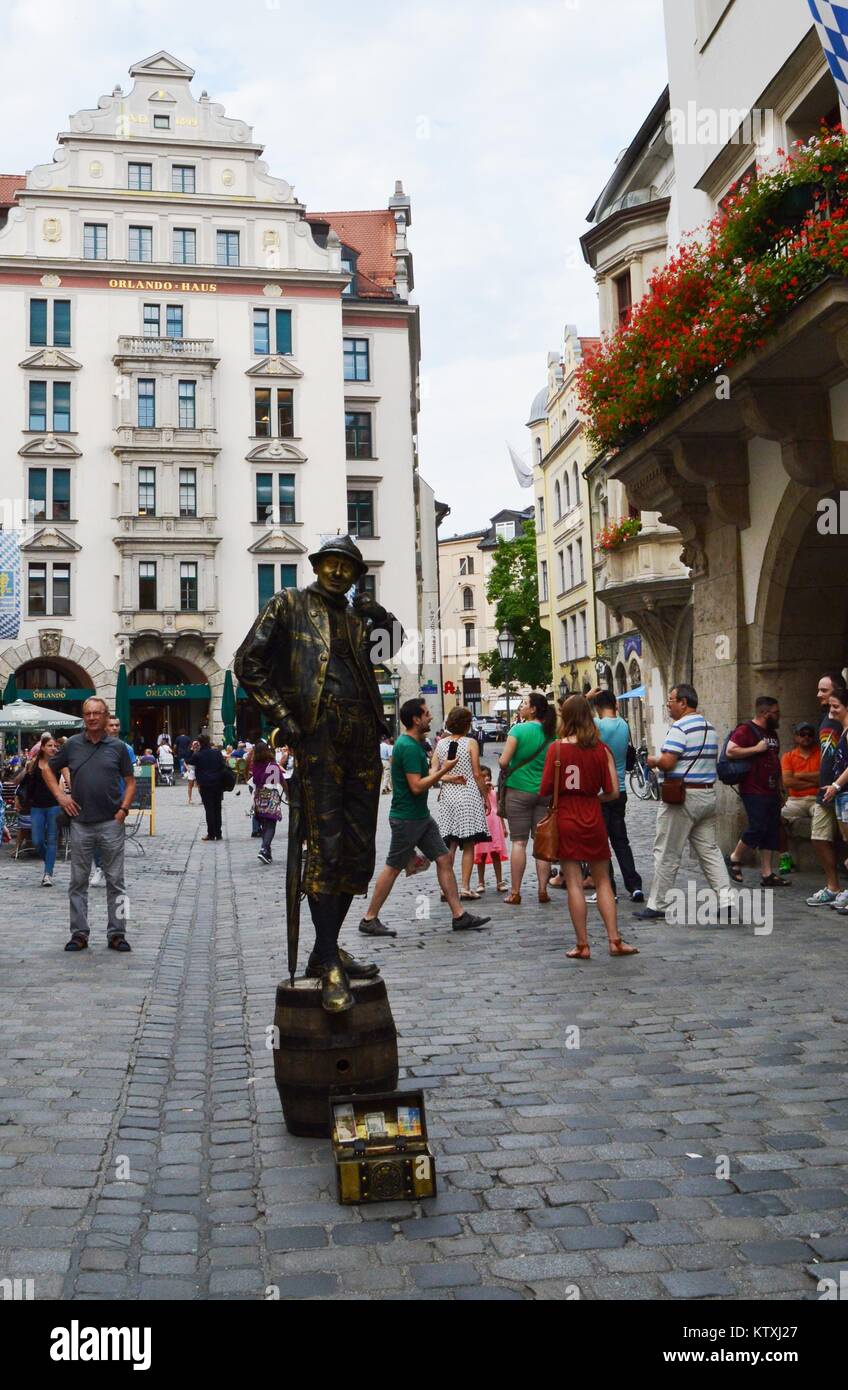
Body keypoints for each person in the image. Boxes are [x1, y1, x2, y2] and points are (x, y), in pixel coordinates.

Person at [235, 535, 402, 1012]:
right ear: (317, 566)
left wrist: (380, 615)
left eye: (347, 568)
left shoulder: (354, 620)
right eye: (331, 564)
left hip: (363, 739)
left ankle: (325, 948)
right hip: (320, 735)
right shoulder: (288, 605)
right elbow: (248, 663)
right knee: (325, 847)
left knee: (358, 850)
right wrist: (285, 718)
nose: (338, 573)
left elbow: (388, 651)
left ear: (355, 576)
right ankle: (327, 959)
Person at [359, 698, 491, 937]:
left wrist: (443, 775)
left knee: (443, 859)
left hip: (420, 817)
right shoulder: (408, 747)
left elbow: (425, 778)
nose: (431, 717)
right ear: (416, 719)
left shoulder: (415, 743)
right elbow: (417, 786)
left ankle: (459, 915)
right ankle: (369, 918)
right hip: (407, 819)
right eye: (427, 713)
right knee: (393, 867)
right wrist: (444, 770)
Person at [540, 695, 639, 960]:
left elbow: (546, 790)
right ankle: (614, 939)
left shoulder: (557, 749)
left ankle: (582, 944)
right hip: (593, 816)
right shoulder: (601, 749)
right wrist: (593, 798)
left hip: (566, 818)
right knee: (603, 880)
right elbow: (613, 791)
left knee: (573, 882)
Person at [41, 697, 136, 953]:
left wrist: (123, 810)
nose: (92, 717)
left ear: (105, 716)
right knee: (77, 882)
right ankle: (79, 933)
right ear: (84, 717)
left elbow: (130, 782)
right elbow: (46, 769)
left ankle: (118, 933)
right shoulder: (72, 745)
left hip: (111, 823)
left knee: (117, 881)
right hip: (81, 824)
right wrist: (61, 797)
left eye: (97, 713)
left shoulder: (118, 747)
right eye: (88, 713)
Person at [634, 684, 732, 923]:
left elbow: (668, 762)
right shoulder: (710, 727)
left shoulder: (680, 727)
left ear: (684, 702)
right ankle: (727, 900)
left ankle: (658, 904)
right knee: (709, 851)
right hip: (707, 795)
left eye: (671, 700)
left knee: (667, 851)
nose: (668, 704)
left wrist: (653, 760)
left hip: (682, 798)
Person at [498, 692, 556, 905]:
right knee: (542, 842)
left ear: (532, 709)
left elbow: (503, 762)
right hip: (544, 793)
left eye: (524, 703)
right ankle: (542, 890)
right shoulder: (552, 733)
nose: (520, 706)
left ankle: (515, 892)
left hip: (518, 792)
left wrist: (512, 763)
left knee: (519, 842)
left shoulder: (518, 730)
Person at [725, 697, 788, 888]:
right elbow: (731, 751)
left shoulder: (772, 734)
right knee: (758, 826)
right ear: (764, 713)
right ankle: (735, 857)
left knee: (771, 829)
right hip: (753, 788)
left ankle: (767, 873)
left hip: (771, 789)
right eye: (775, 713)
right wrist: (755, 748)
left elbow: (774, 760)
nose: (778, 716)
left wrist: (780, 786)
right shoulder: (746, 730)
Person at [589, 689, 644, 903]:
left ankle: (608, 889)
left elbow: (573, 716)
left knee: (601, 843)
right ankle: (634, 886)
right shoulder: (624, 724)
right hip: (620, 790)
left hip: (601, 793)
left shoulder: (597, 725)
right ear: (615, 705)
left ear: (597, 707)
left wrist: (586, 698)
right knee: (621, 840)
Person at [431, 706, 490, 900]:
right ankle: (464, 887)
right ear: (467, 724)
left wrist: (448, 778)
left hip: (448, 797)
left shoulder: (440, 744)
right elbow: (475, 773)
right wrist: (486, 796)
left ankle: (445, 888)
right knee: (468, 843)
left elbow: (433, 774)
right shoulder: (470, 743)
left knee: (451, 843)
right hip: (468, 795)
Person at [806, 671, 848, 907]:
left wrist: (837, 783)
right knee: (819, 837)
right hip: (827, 790)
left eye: (824, 690)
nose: (819, 695)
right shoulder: (828, 717)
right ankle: (833, 886)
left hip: (841, 788)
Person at [19, 732, 66, 886]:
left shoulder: (58, 764)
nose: (53, 748)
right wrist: (20, 799)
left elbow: (68, 779)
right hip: (37, 806)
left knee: (52, 839)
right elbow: (25, 784)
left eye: (55, 746)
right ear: (43, 747)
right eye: (50, 746)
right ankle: (49, 860)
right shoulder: (33, 763)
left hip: (54, 805)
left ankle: (48, 874)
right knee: (38, 840)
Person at [818, 686, 848, 912]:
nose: (832, 711)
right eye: (831, 706)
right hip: (840, 794)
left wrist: (837, 785)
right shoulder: (844, 730)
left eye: (836, 706)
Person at [780, 722, 820, 872]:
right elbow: (788, 782)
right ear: (796, 737)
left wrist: (800, 776)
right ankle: (785, 857)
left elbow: (825, 778)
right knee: (775, 818)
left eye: (810, 734)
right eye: (802, 734)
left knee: (825, 819)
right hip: (795, 801)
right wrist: (814, 782)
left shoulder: (821, 754)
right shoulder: (788, 756)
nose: (806, 737)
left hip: (816, 799)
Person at [474, 766, 509, 893]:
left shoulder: (495, 793)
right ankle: (480, 881)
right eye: (483, 776)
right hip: (482, 825)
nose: (486, 778)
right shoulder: (476, 793)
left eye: (488, 775)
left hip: (494, 825)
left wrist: (504, 827)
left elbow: (498, 810)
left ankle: (499, 881)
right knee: (481, 855)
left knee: (495, 854)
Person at [250, 740, 284, 865]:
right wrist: (289, 795)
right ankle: (264, 849)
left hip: (259, 796)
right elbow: (280, 781)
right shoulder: (273, 765)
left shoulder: (255, 765)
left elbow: (254, 780)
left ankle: (268, 853)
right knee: (271, 825)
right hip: (271, 796)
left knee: (265, 824)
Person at [192, 733, 227, 841]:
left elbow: (189, 760)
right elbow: (223, 765)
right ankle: (219, 833)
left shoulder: (198, 755)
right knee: (217, 808)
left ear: (199, 743)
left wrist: (193, 749)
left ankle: (211, 834)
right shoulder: (217, 753)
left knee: (209, 809)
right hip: (218, 784)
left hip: (206, 785)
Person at [184, 738, 200, 805]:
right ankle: (190, 799)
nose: (195, 746)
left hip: (198, 769)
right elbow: (185, 761)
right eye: (194, 745)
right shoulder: (189, 751)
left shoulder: (200, 751)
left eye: (197, 745)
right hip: (191, 768)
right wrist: (187, 767)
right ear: (192, 745)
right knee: (190, 785)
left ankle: (202, 799)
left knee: (200, 785)